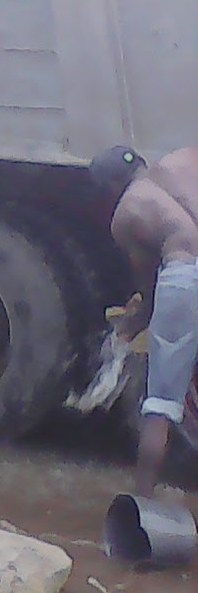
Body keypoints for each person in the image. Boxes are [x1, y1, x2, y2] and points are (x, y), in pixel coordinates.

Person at [91, 144, 198, 496]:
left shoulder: (126, 214)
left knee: (161, 404)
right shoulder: (179, 162)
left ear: (110, 187)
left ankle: (143, 503)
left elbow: (151, 293)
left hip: (185, 275)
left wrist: (127, 329)